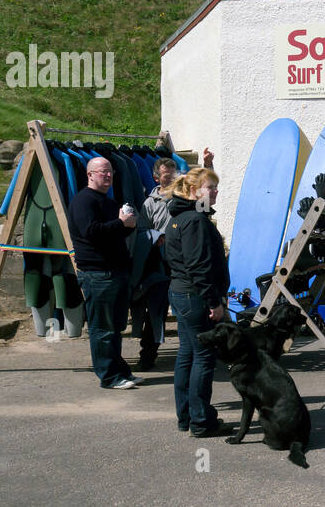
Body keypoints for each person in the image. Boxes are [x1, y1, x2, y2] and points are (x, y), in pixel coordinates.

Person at [135, 148, 216, 370]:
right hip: (161, 267)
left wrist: (207, 166)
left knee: (194, 311)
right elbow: (141, 231)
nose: (172, 178)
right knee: (156, 313)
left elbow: (205, 203)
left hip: (186, 265)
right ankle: (147, 356)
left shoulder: (183, 199)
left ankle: (201, 353)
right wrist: (156, 236)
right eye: (167, 176)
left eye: (174, 174)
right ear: (156, 178)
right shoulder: (150, 203)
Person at [164, 167, 231, 437]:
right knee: (203, 358)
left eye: (215, 187)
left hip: (183, 294)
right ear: (194, 191)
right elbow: (198, 267)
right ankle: (201, 421)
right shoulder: (194, 221)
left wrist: (207, 164)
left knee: (188, 355)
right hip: (195, 297)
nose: (214, 192)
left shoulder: (183, 216)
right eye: (209, 187)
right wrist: (214, 302)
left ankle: (187, 417)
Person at [67, 156, 138, 390]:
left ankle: (118, 370)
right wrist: (121, 224)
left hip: (115, 273)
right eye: (102, 172)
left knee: (115, 327)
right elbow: (91, 232)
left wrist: (129, 225)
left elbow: (115, 234)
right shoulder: (83, 201)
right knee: (102, 328)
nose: (107, 176)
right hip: (98, 275)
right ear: (89, 175)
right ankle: (109, 376)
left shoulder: (108, 201)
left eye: (110, 172)